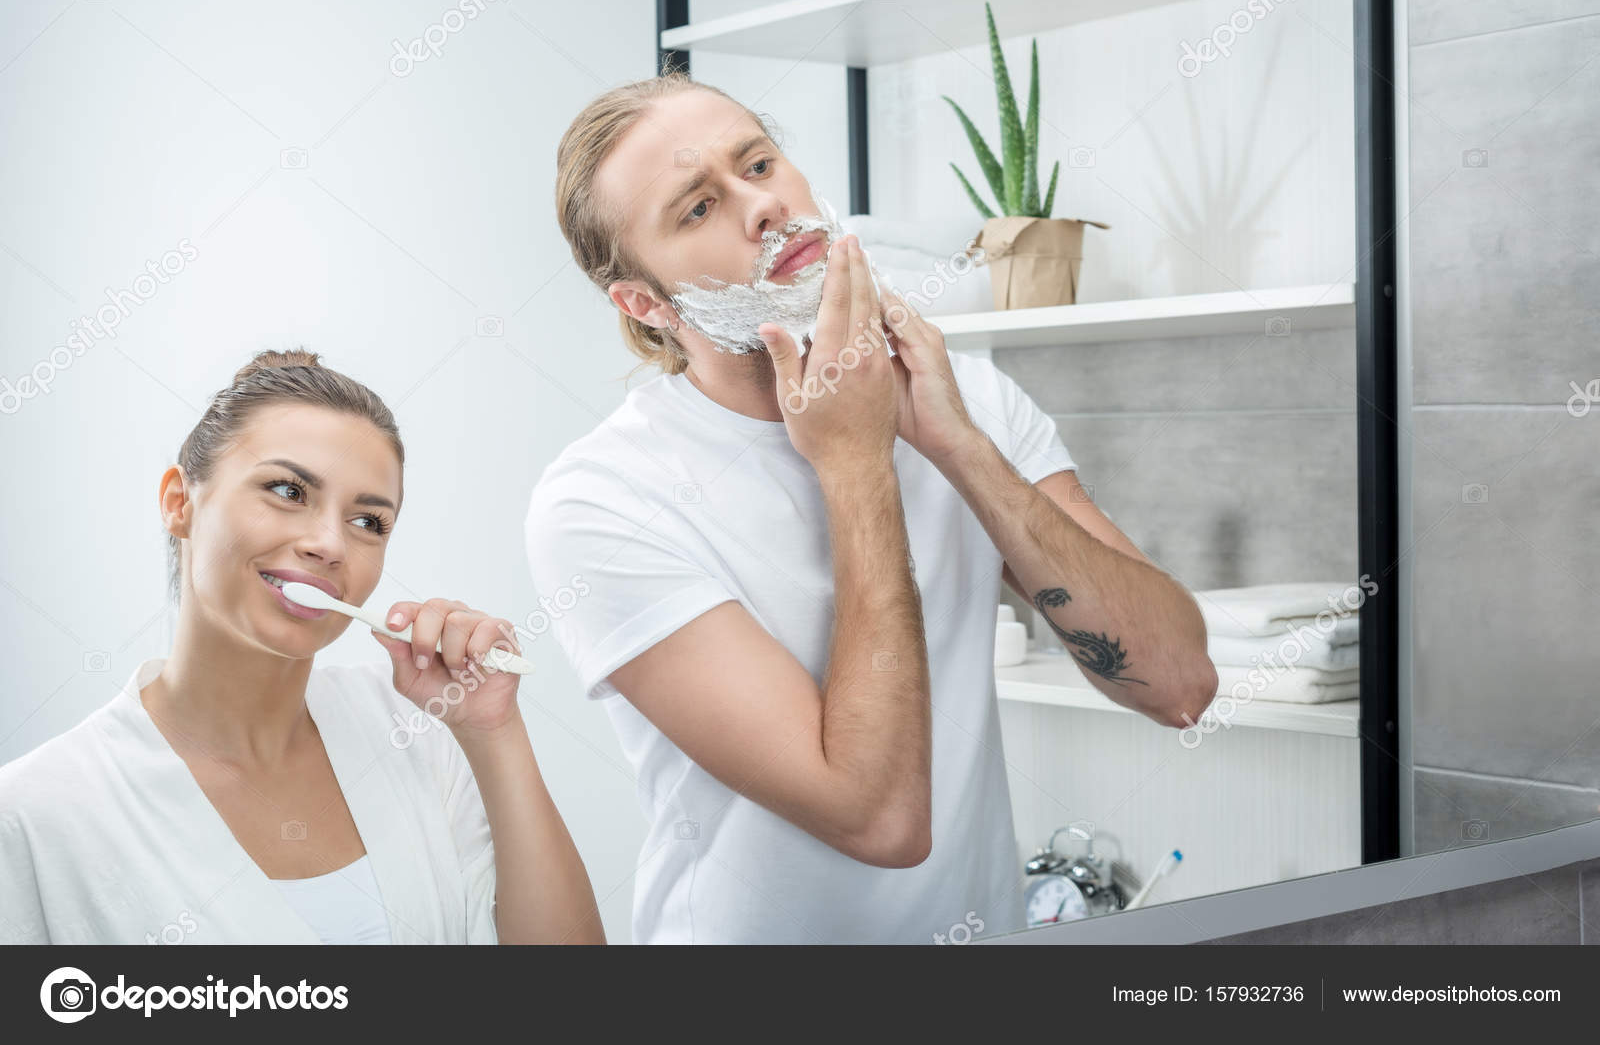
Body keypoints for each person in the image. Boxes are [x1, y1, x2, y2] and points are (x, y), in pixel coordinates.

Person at [525, 72, 1217, 944]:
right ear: (645, 304)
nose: (763, 207)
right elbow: (880, 821)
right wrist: (854, 464)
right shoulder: (605, 501)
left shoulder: (963, 397)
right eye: (697, 208)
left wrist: (959, 447)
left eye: (760, 164)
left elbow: (1182, 686)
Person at [0, 349, 604, 945]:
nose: (329, 544)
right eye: (288, 491)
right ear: (179, 503)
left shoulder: (420, 737)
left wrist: (492, 730)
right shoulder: (37, 812)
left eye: (368, 521)